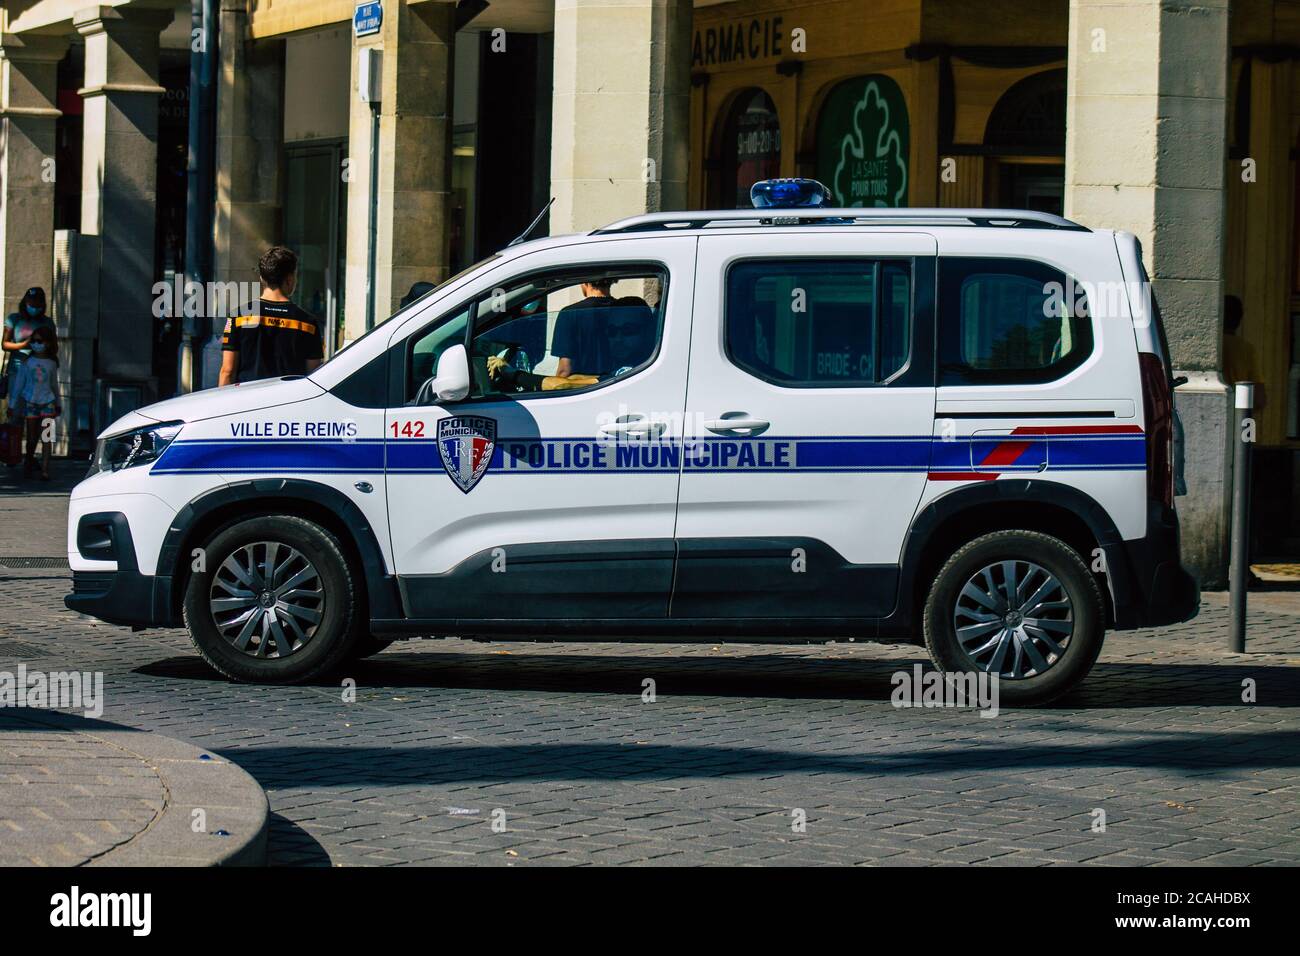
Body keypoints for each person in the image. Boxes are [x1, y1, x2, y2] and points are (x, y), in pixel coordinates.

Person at [219, 246, 323, 386]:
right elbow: (313, 377)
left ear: (262, 277)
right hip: (288, 403)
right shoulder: (308, 323)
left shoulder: (237, 316)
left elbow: (227, 371)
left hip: (246, 401)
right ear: (290, 279)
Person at [11, 325, 61, 481]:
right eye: (33, 341)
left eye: (39, 341)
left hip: (48, 403)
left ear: (48, 342)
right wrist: (12, 405)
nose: (36, 344)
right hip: (30, 402)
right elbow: (19, 384)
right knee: (31, 438)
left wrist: (58, 403)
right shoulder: (27, 362)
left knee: (47, 437)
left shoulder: (52, 363)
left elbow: (54, 384)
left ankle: (45, 470)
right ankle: (29, 460)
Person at [3, 287, 56, 420]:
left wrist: (41, 347)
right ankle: (15, 435)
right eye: (31, 305)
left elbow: (54, 348)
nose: (34, 308)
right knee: (16, 412)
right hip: (17, 368)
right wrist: (24, 344)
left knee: (42, 419)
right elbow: (4, 344)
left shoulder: (47, 322)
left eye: (38, 305)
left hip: (40, 371)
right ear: (25, 303)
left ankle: (37, 439)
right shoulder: (14, 319)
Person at [551, 279, 618, 378]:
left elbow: (564, 370)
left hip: (583, 389)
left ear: (584, 283)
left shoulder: (569, 313)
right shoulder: (625, 311)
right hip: (621, 383)